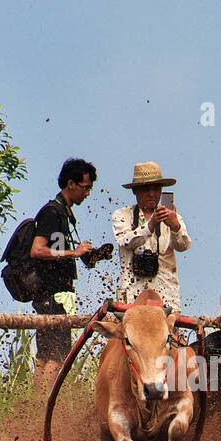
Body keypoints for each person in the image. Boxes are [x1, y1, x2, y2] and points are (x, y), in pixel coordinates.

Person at [30, 158, 97, 390]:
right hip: (53, 296)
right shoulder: (52, 212)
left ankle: (34, 405)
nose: (88, 193)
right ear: (71, 184)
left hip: (52, 295)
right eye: (86, 187)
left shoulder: (64, 214)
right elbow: (37, 250)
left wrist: (84, 254)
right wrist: (74, 252)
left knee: (45, 356)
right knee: (57, 357)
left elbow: (58, 251)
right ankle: (45, 405)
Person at [112, 162, 191, 312]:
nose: (152, 193)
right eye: (146, 188)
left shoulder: (173, 217)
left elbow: (184, 246)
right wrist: (151, 225)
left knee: (170, 335)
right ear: (135, 190)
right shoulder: (122, 215)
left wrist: (175, 227)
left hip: (167, 298)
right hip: (132, 296)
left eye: (156, 188)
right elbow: (126, 242)